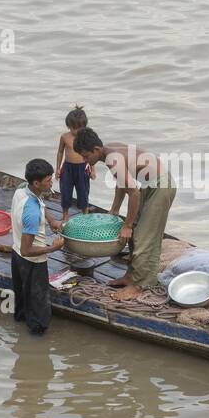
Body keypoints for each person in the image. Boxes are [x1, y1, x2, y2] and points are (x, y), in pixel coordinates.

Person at [73, 127, 175, 301]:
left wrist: (126, 225)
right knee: (136, 231)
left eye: (85, 156)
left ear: (96, 150)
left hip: (161, 187)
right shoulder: (110, 149)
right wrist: (114, 209)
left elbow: (133, 192)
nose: (84, 160)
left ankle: (141, 285)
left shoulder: (112, 160)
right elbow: (122, 182)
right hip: (149, 184)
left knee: (144, 237)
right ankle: (131, 276)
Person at [7, 159, 64, 335]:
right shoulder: (31, 213)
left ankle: (21, 320)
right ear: (36, 183)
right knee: (39, 304)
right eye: (48, 180)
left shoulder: (22, 189)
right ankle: (37, 337)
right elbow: (27, 250)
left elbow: (40, 203)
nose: (51, 182)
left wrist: (51, 219)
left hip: (16, 255)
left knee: (22, 296)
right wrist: (53, 248)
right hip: (32, 260)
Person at [55, 106, 93, 216]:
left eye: (79, 128)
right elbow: (60, 152)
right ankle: (65, 215)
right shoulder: (64, 137)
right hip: (67, 168)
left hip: (83, 167)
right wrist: (57, 168)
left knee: (83, 192)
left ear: (84, 126)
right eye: (73, 128)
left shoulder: (86, 138)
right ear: (68, 126)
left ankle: (85, 214)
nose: (76, 131)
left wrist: (93, 169)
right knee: (65, 192)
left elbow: (91, 154)